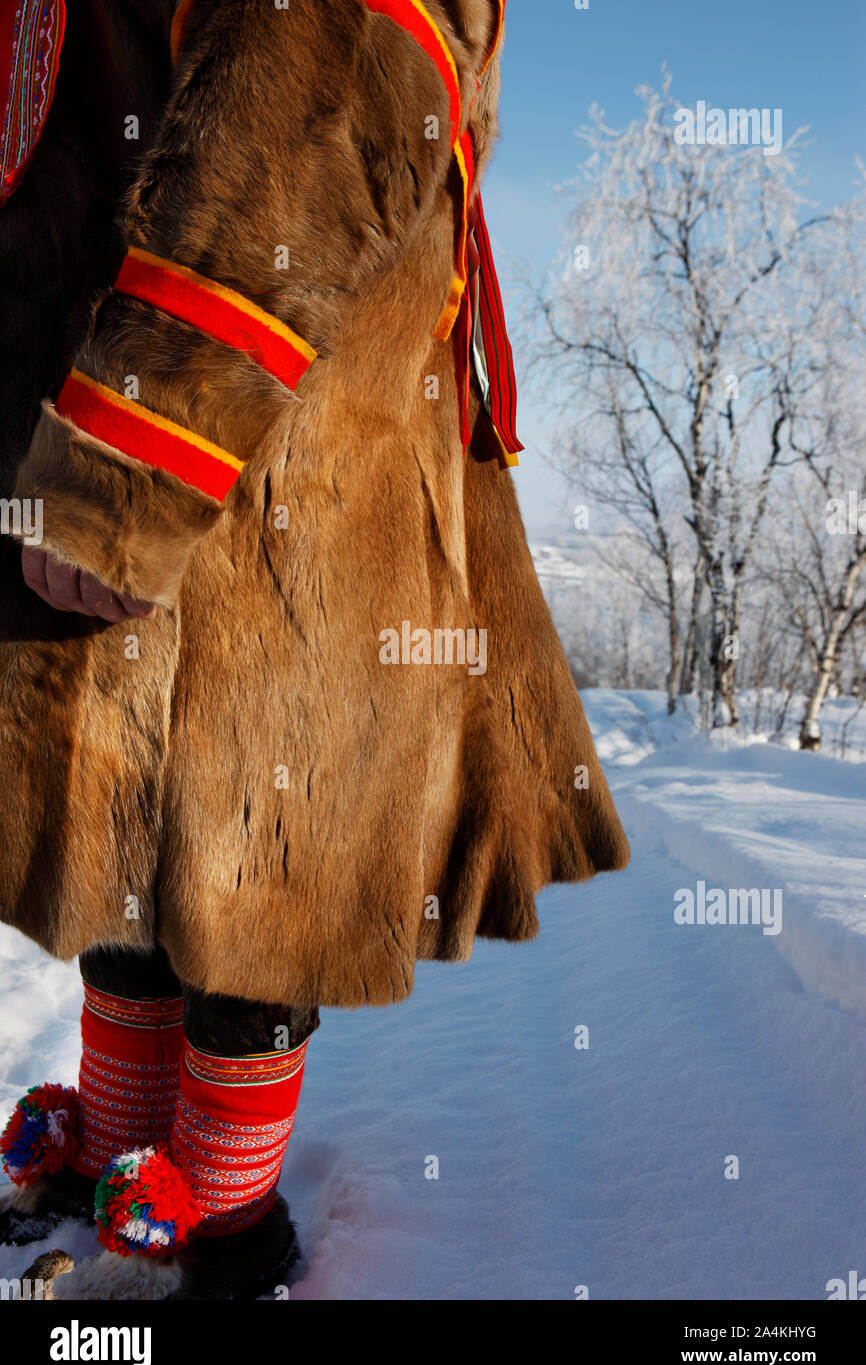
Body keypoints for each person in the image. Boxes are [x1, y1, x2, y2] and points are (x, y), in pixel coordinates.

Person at [0, 0, 628, 1299]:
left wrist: (134, 443)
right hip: (87, 414)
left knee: (254, 875)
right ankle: (121, 1170)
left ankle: (217, 1232)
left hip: (266, 453)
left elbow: (331, 79)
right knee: (128, 850)